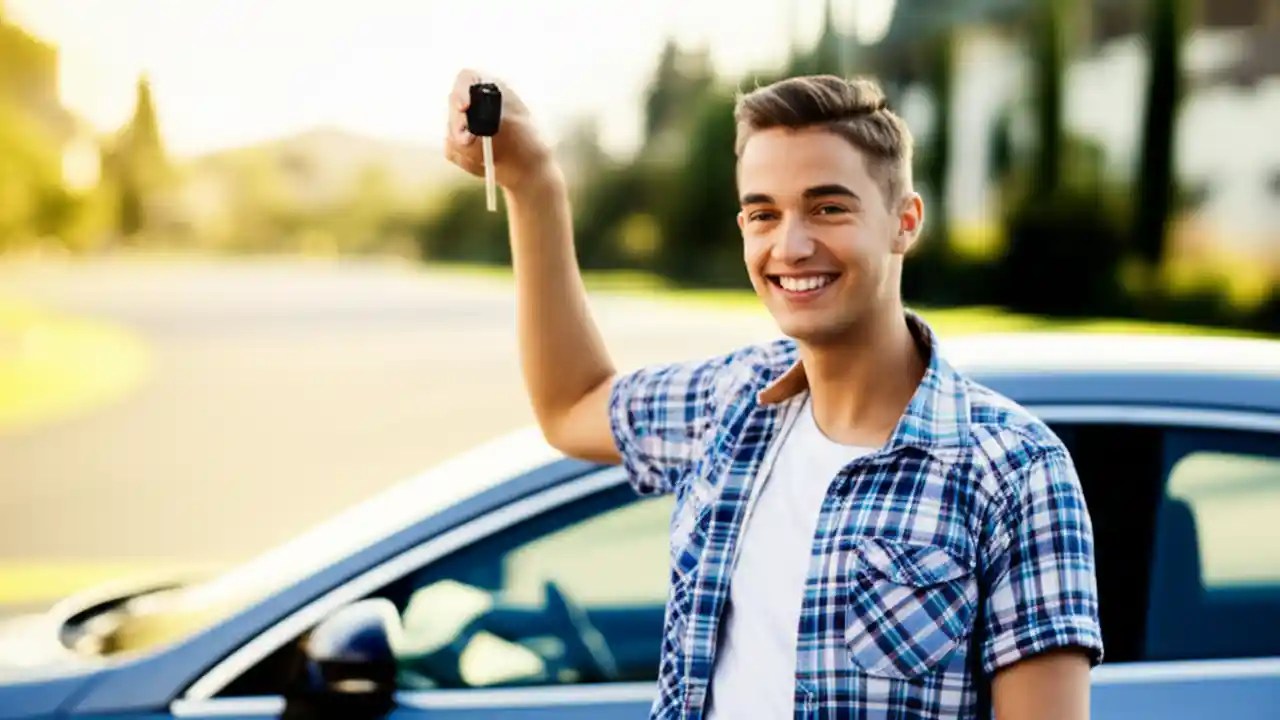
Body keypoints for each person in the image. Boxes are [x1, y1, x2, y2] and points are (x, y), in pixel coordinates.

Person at [443, 69, 1103, 720]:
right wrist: (535, 185)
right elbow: (571, 407)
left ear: (905, 221)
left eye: (828, 207)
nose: (791, 245)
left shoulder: (1014, 473)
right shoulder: (730, 405)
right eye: (764, 213)